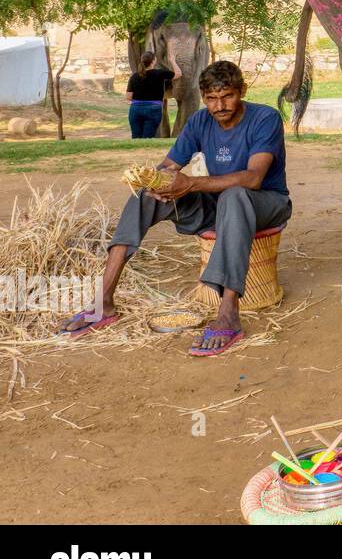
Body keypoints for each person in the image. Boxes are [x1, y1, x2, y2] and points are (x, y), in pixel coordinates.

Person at [60, 60, 292, 354]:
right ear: (203, 97)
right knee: (143, 197)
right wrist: (156, 183)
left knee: (235, 196)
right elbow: (168, 166)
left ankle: (228, 314)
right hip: (218, 204)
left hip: (267, 203)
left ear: (242, 91)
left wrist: (191, 183)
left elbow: (253, 178)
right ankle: (103, 301)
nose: (219, 105)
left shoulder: (265, 118)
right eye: (211, 98)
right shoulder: (199, 121)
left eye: (227, 96)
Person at [124, 50, 178, 138]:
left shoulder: (134, 76)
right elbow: (178, 74)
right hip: (154, 109)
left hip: (136, 109)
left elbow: (128, 97)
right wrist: (173, 61)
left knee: (136, 138)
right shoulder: (160, 73)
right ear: (153, 62)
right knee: (147, 138)